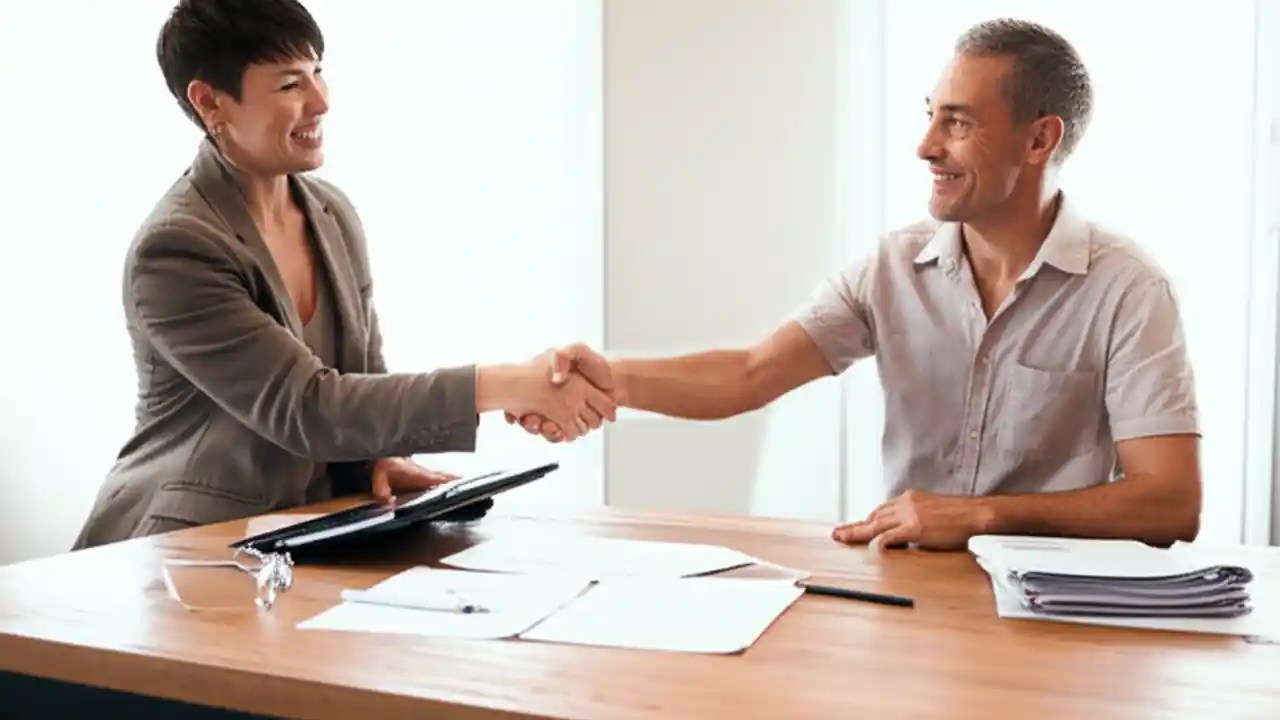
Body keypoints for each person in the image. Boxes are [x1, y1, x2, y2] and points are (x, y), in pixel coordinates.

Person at [513, 18, 1202, 551]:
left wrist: (981, 517)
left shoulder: (1129, 290)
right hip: (914, 590)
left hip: (1060, 613)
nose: (926, 144)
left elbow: (1170, 504)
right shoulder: (891, 267)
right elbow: (752, 372)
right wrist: (612, 380)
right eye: (931, 114)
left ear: (1038, 140)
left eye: (957, 122)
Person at [73, 0, 613, 549]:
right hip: (182, 550)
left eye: (317, 74)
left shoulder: (331, 214)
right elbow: (308, 408)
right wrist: (506, 384)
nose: (320, 101)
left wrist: (380, 457)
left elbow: (362, 382)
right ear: (211, 101)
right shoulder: (178, 249)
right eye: (289, 85)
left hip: (305, 532)